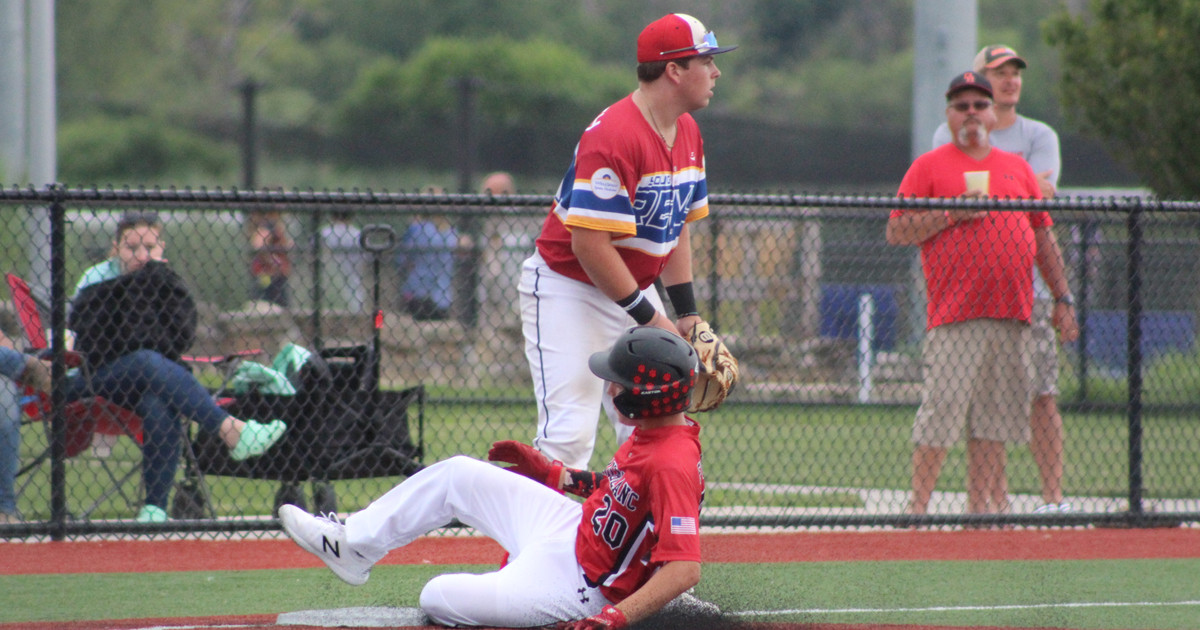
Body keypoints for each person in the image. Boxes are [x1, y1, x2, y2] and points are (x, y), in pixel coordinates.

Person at [279, 326, 704, 628]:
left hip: (587, 588)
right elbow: (622, 495)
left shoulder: (672, 462)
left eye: (620, 382)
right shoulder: (655, 431)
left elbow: (683, 568)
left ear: (649, 395)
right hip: (571, 531)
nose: (611, 389)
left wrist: (614, 618)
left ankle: (526, 585)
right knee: (457, 474)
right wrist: (556, 474)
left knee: (438, 596)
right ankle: (352, 546)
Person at [519, 13, 735, 469]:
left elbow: (676, 227)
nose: (715, 72)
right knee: (568, 438)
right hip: (569, 287)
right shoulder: (616, 136)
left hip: (632, 288)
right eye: (706, 60)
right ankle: (536, 541)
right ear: (674, 70)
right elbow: (589, 245)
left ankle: (643, 540)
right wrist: (652, 319)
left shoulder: (689, 131)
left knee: (653, 426)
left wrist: (687, 314)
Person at [886, 71, 1078, 516]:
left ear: (993, 115)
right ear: (950, 116)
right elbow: (896, 230)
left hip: (1013, 313)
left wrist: (1063, 298)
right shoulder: (930, 166)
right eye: (961, 105)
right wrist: (951, 214)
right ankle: (917, 510)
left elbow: (1044, 240)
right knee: (942, 413)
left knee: (995, 421)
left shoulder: (1018, 170)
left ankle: (982, 513)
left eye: (979, 105)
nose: (971, 113)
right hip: (956, 315)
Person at [67, 212, 286, 522]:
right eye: (131, 248)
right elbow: (94, 342)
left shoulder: (165, 281)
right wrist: (137, 286)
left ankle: (154, 508)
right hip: (95, 378)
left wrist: (150, 289)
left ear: (162, 248)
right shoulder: (96, 278)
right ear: (116, 247)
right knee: (145, 360)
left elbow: (178, 338)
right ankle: (230, 429)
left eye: (150, 247)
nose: (142, 256)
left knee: (159, 399)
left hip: (144, 383)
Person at [932, 45, 1069, 513]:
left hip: (1024, 293)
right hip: (963, 297)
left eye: (1014, 73)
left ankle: (1053, 499)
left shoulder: (1038, 134)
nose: (1009, 80)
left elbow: (1043, 195)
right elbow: (945, 181)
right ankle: (995, 502)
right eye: (998, 73)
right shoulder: (947, 133)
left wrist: (1062, 296)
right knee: (985, 406)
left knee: (1039, 395)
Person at [397, 190, 462, 321]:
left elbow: (401, 260)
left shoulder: (416, 230)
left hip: (416, 293)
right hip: (442, 296)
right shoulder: (452, 233)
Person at [318, 210, 367, 311]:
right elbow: (364, 263)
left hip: (326, 289)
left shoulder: (324, 233)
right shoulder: (358, 234)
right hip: (353, 290)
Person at [246, 210, 294, 308]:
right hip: (270, 276)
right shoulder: (267, 225)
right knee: (270, 306)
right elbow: (259, 245)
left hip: (276, 276)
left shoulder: (274, 226)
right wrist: (274, 262)